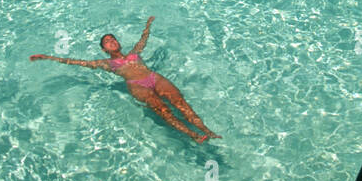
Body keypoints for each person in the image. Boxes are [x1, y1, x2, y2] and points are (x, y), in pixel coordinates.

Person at [30, 17, 220, 143]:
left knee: (180, 102)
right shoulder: (106, 63)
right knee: (164, 111)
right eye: (107, 41)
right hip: (137, 86)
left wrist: (148, 26)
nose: (111, 41)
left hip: (154, 77)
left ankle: (206, 129)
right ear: (104, 49)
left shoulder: (133, 53)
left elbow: (143, 40)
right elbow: (75, 62)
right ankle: (193, 134)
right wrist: (47, 57)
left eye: (113, 39)